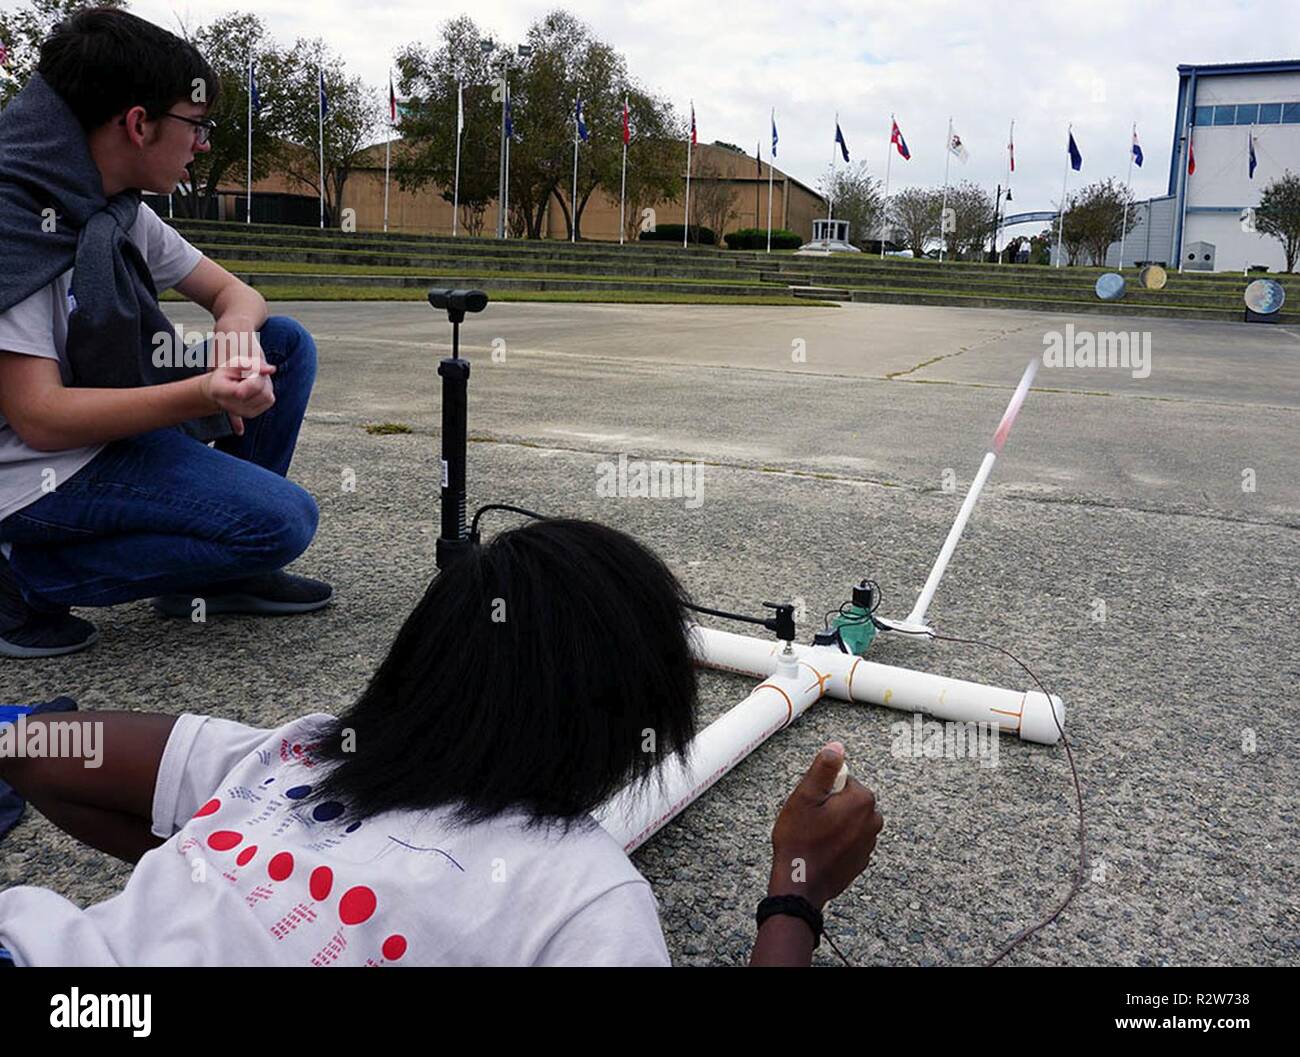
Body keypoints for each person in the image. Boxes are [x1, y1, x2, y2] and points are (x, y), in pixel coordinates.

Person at [0, 518, 883, 966]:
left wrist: (205, 861)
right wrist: (795, 889)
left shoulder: (305, 753)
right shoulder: (581, 895)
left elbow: (42, 749)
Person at [0, 8, 331, 661]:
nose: (201, 144)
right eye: (196, 125)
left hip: (101, 422)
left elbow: (237, 293)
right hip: (31, 472)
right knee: (285, 520)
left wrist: (235, 336)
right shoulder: (18, 219)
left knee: (282, 342)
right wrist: (205, 392)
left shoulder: (107, 200)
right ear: (138, 123)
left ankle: (216, 581)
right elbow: (38, 418)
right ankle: (21, 577)